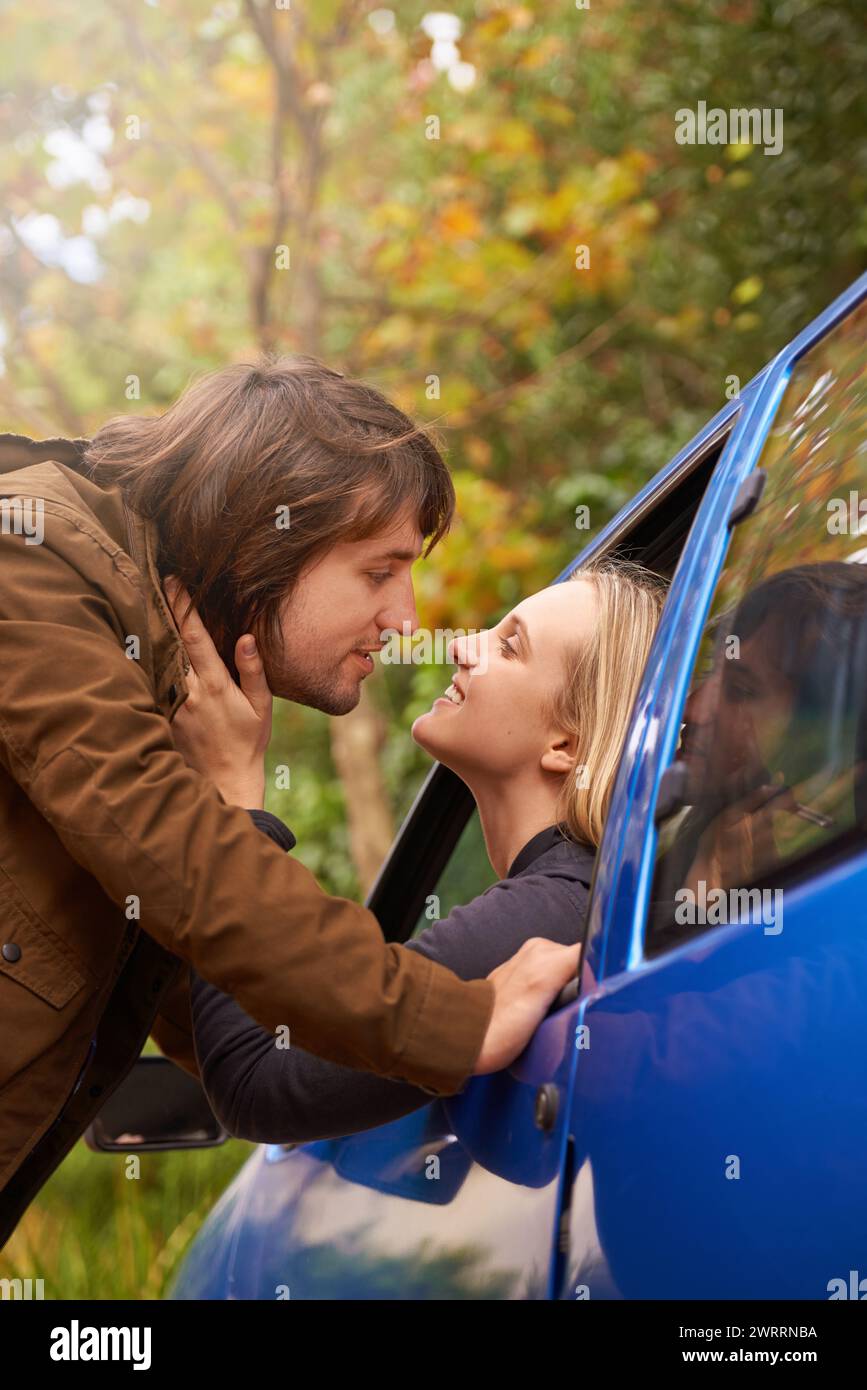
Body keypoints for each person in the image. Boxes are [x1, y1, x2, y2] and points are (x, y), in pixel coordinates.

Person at [0, 356, 578, 1248]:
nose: (407, 619)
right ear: (266, 539)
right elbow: (145, 826)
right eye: (379, 571)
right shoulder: (37, 552)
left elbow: (222, 1012)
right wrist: (449, 1021)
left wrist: (232, 804)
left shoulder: (154, 664)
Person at [166, 559, 667, 1142]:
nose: (462, 647)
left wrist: (232, 804)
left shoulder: (551, 913)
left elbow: (259, 1081)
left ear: (567, 743)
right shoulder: (577, 895)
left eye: (509, 647)